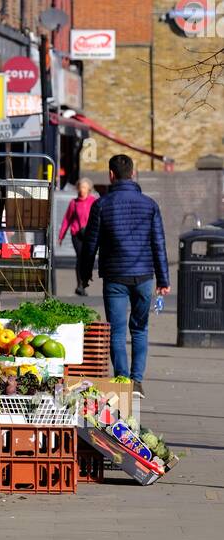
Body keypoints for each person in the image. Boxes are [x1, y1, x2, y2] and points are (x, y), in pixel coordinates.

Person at [79, 153, 170, 395]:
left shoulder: (101, 205)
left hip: (115, 276)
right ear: (133, 173)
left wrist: (84, 273)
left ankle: (122, 380)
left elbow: (91, 243)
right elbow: (158, 243)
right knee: (140, 329)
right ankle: (137, 381)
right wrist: (163, 279)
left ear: (111, 174)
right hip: (143, 276)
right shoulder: (150, 205)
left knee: (117, 331)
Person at [58, 177, 99, 295]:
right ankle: (80, 284)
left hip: (89, 234)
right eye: (80, 187)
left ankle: (85, 280)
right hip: (76, 234)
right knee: (80, 257)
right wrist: (61, 236)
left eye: (84, 187)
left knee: (88, 257)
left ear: (89, 189)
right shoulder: (73, 203)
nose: (82, 190)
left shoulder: (93, 201)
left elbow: (98, 218)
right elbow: (67, 219)